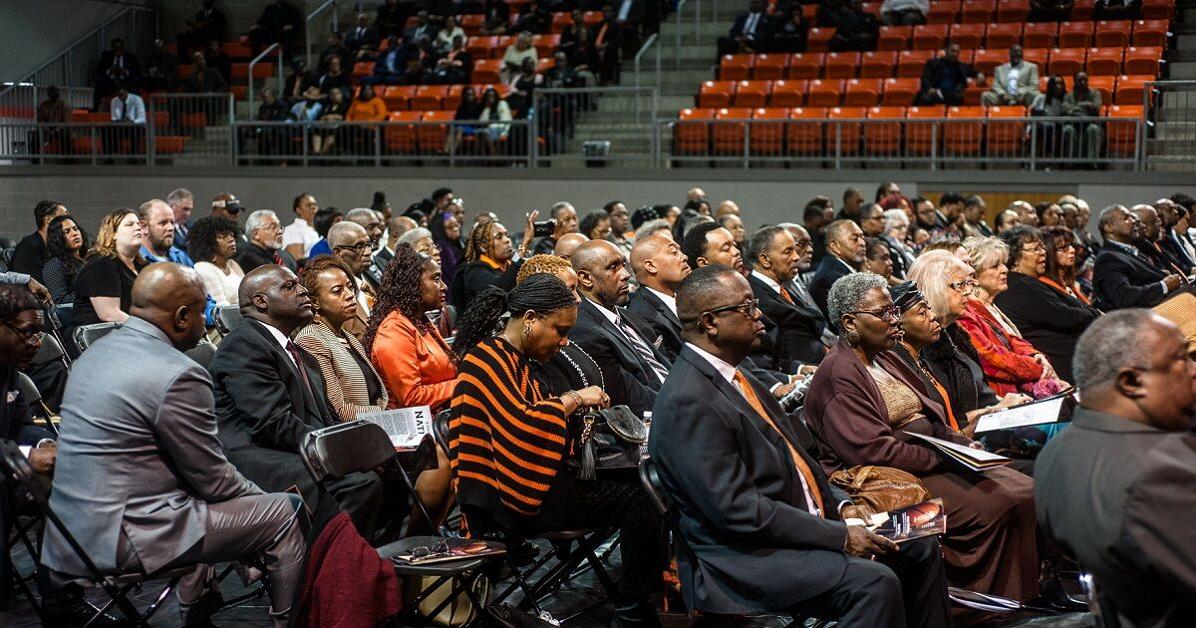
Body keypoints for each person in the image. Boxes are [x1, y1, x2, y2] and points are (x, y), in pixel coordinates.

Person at [650, 265, 951, 627]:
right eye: (746, 308)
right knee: (872, 582)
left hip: (797, 526)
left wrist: (843, 508)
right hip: (745, 556)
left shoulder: (739, 376)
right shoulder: (689, 400)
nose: (759, 314)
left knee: (920, 538)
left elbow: (801, 462)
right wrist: (840, 535)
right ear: (710, 322)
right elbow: (738, 512)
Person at [42, 264, 304, 627]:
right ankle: (290, 621)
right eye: (202, 310)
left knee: (205, 503)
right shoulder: (179, 372)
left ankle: (197, 612)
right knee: (284, 509)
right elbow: (215, 480)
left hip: (68, 530)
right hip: (129, 535)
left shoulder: (92, 355)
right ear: (183, 317)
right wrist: (256, 507)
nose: (205, 318)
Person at [805, 273, 1040, 604]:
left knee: (1026, 490)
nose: (894, 320)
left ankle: (1023, 596)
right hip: (893, 475)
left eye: (894, 311)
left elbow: (929, 413)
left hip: (929, 455)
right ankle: (980, 604)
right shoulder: (838, 373)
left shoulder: (884, 354)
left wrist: (958, 444)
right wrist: (942, 456)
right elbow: (871, 450)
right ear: (849, 322)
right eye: (884, 313)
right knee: (996, 503)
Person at [449, 273, 665, 627]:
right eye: (560, 330)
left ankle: (640, 598)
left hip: (534, 478)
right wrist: (574, 400)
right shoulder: (485, 361)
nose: (564, 342)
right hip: (506, 499)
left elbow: (532, 419)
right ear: (530, 319)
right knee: (643, 496)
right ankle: (632, 610)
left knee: (648, 480)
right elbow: (523, 427)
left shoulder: (513, 359)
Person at [210, 265, 404, 543]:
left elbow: (327, 418)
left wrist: (362, 446)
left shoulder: (298, 352)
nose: (302, 291)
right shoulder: (243, 345)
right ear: (261, 302)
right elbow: (272, 424)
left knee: (393, 466)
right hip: (259, 459)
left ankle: (379, 566)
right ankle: (328, 573)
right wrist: (343, 450)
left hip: (297, 448)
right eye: (289, 287)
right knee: (361, 484)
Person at [1036, 310, 1196, 627]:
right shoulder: (1159, 474)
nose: (1194, 370)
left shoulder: (1054, 455)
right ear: (1132, 381)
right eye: (1183, 360)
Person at [362, 245, 455, 529]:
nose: (444, 286)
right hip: (401, 425)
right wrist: (463, 384)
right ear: (413, 285)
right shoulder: (394, 330)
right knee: (444, 459)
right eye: (435, 279)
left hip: (436, 417)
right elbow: (412, 397)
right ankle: (418, 541)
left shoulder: (421, 322)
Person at [0, 285, 59, 612]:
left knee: (60, 476)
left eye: (39, 334)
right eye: (28, 333)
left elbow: (22, 425)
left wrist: (47, 445)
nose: (36, 344)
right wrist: (24, 458)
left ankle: (61, 589)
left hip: (7, 468)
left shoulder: (9, 372)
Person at [569, 239, 669, 415]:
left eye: (623, 265)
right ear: (585, 278)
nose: (625, 274)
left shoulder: (625, 315)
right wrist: (686, 407)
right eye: (613, 267)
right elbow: (631, 397)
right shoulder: (583, 329)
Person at [960, 237, 1064, 397]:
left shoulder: (991, 306)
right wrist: (1037, 368)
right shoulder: (968, 310)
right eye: (995, 266)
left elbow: (1013, 340)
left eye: (1003, 263)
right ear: (975, 276)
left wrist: (1036, 356)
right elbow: (992, 359)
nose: (1004, 269)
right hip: (1001, 395)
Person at [995, 226, 1099, 383]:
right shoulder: (1023, 286)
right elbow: (1067, 317)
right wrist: (1095, 313)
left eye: (1042, 247)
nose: (1043, 252)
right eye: (1035, 249)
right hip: (1066, 371)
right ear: (1015, 257)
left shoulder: (1026, 283)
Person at [294, 254, 388, 425]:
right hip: (353, 435)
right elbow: (339, 411)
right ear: (315, 302)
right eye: (337, 291)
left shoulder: (347, 336)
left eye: (350, 287)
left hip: (374, 426)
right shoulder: (311, 339)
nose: (350, 295)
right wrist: (388, 413)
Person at [747, 226, 829, 372]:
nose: (796, 257)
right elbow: (775, 355)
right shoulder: (757, 298)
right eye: (788, 252)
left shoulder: (780, 288)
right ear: (765, 259)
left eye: (794, 249)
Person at [68, 209, 145, 338]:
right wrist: (149, 331)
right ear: (113, 234)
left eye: (138, 224)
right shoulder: (101, 265)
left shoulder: (142, 266)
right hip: (98, 338)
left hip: (127, 333)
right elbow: (109, 314)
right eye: (130, 224)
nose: (137, 227)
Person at [1093, 204, 1181, 310]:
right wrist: (1163, 286)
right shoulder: (1107, 259)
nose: (1133, 221)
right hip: (1140, 319)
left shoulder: (1135, 249)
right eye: (1126, 218)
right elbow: (1124, 297)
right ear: (1108, 227)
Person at [628, 232, 692, 362]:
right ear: (651, 266)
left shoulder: (688, 297)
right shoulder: (643, 317)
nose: (684, 257)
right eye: (674, 252)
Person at [449, 215, 536, 310]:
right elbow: (501, 290)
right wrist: (524, 245)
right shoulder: (474, 271)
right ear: (483, 246)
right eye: (499, 237)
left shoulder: (510, 266)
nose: (507, 240)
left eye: (507, 235)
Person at [326, 221, 376, 337]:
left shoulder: (372, 281)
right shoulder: (334, 293)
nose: (368, 252)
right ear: (338, 252)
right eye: (359, 246)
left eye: (369, 244)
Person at [809, 219, 865, 319]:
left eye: (862, 237)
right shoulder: (830, 279)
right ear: (835, 246)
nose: (862, 243)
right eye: (855, 239)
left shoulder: (842, 270)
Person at [189, 217, 244, 307]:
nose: (231, 239)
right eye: (223, 237)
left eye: (231, 235)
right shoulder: (203, 268)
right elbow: (220, 307)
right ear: (208, 243)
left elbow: (248, 294)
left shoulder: (232, 264)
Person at [11, 200, 69, 282]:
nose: (69, 222)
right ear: (48, 219)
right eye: (64, 217)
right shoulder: (29, 246)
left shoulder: (57, 247)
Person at [915, 41, 981, 106]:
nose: (955, 54)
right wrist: (930, 88)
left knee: (958, 98)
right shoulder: (933, 63)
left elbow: (974, 72)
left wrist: (979, 74)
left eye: (957, 52)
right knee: (925, 98)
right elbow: (925, 77)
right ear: (946, 51)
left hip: (951, 93)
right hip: (934, 91)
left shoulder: (962, 66)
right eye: (952, 51)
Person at [1040, 225, 1092, 304]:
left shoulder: (1069, 283)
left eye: (1072, 245)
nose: (1072, 250)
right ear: (1049, 252)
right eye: (1063, 247)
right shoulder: (1045, 286)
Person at [42, 215, 88, 305]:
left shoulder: (88, 259)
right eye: (67, 231)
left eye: (75, 229)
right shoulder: (55, 264)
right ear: (57, 238)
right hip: (76, 315)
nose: (74, 233)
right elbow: (59, 300)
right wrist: (91, 295)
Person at [1062, 72, 1104, 160]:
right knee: (1068, 130)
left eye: (1085, 80)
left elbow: (1096, 107)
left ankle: (1091, 163)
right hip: (1073, 124)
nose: (1083, 82)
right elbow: (1066, 110)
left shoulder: (1095, 93)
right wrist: (1086, 105)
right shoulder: (1068, 95)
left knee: (1093, 129)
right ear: (1074, 81)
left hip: (1090, 123)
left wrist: (1075, 108)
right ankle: (1071, 162)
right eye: (1080, 80)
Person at [282, 192, 321, 262]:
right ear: (298, 210)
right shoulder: (291, 230)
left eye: (315, 205)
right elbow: (297, 261)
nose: (313, 207)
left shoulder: (320, 230)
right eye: (308, 205)